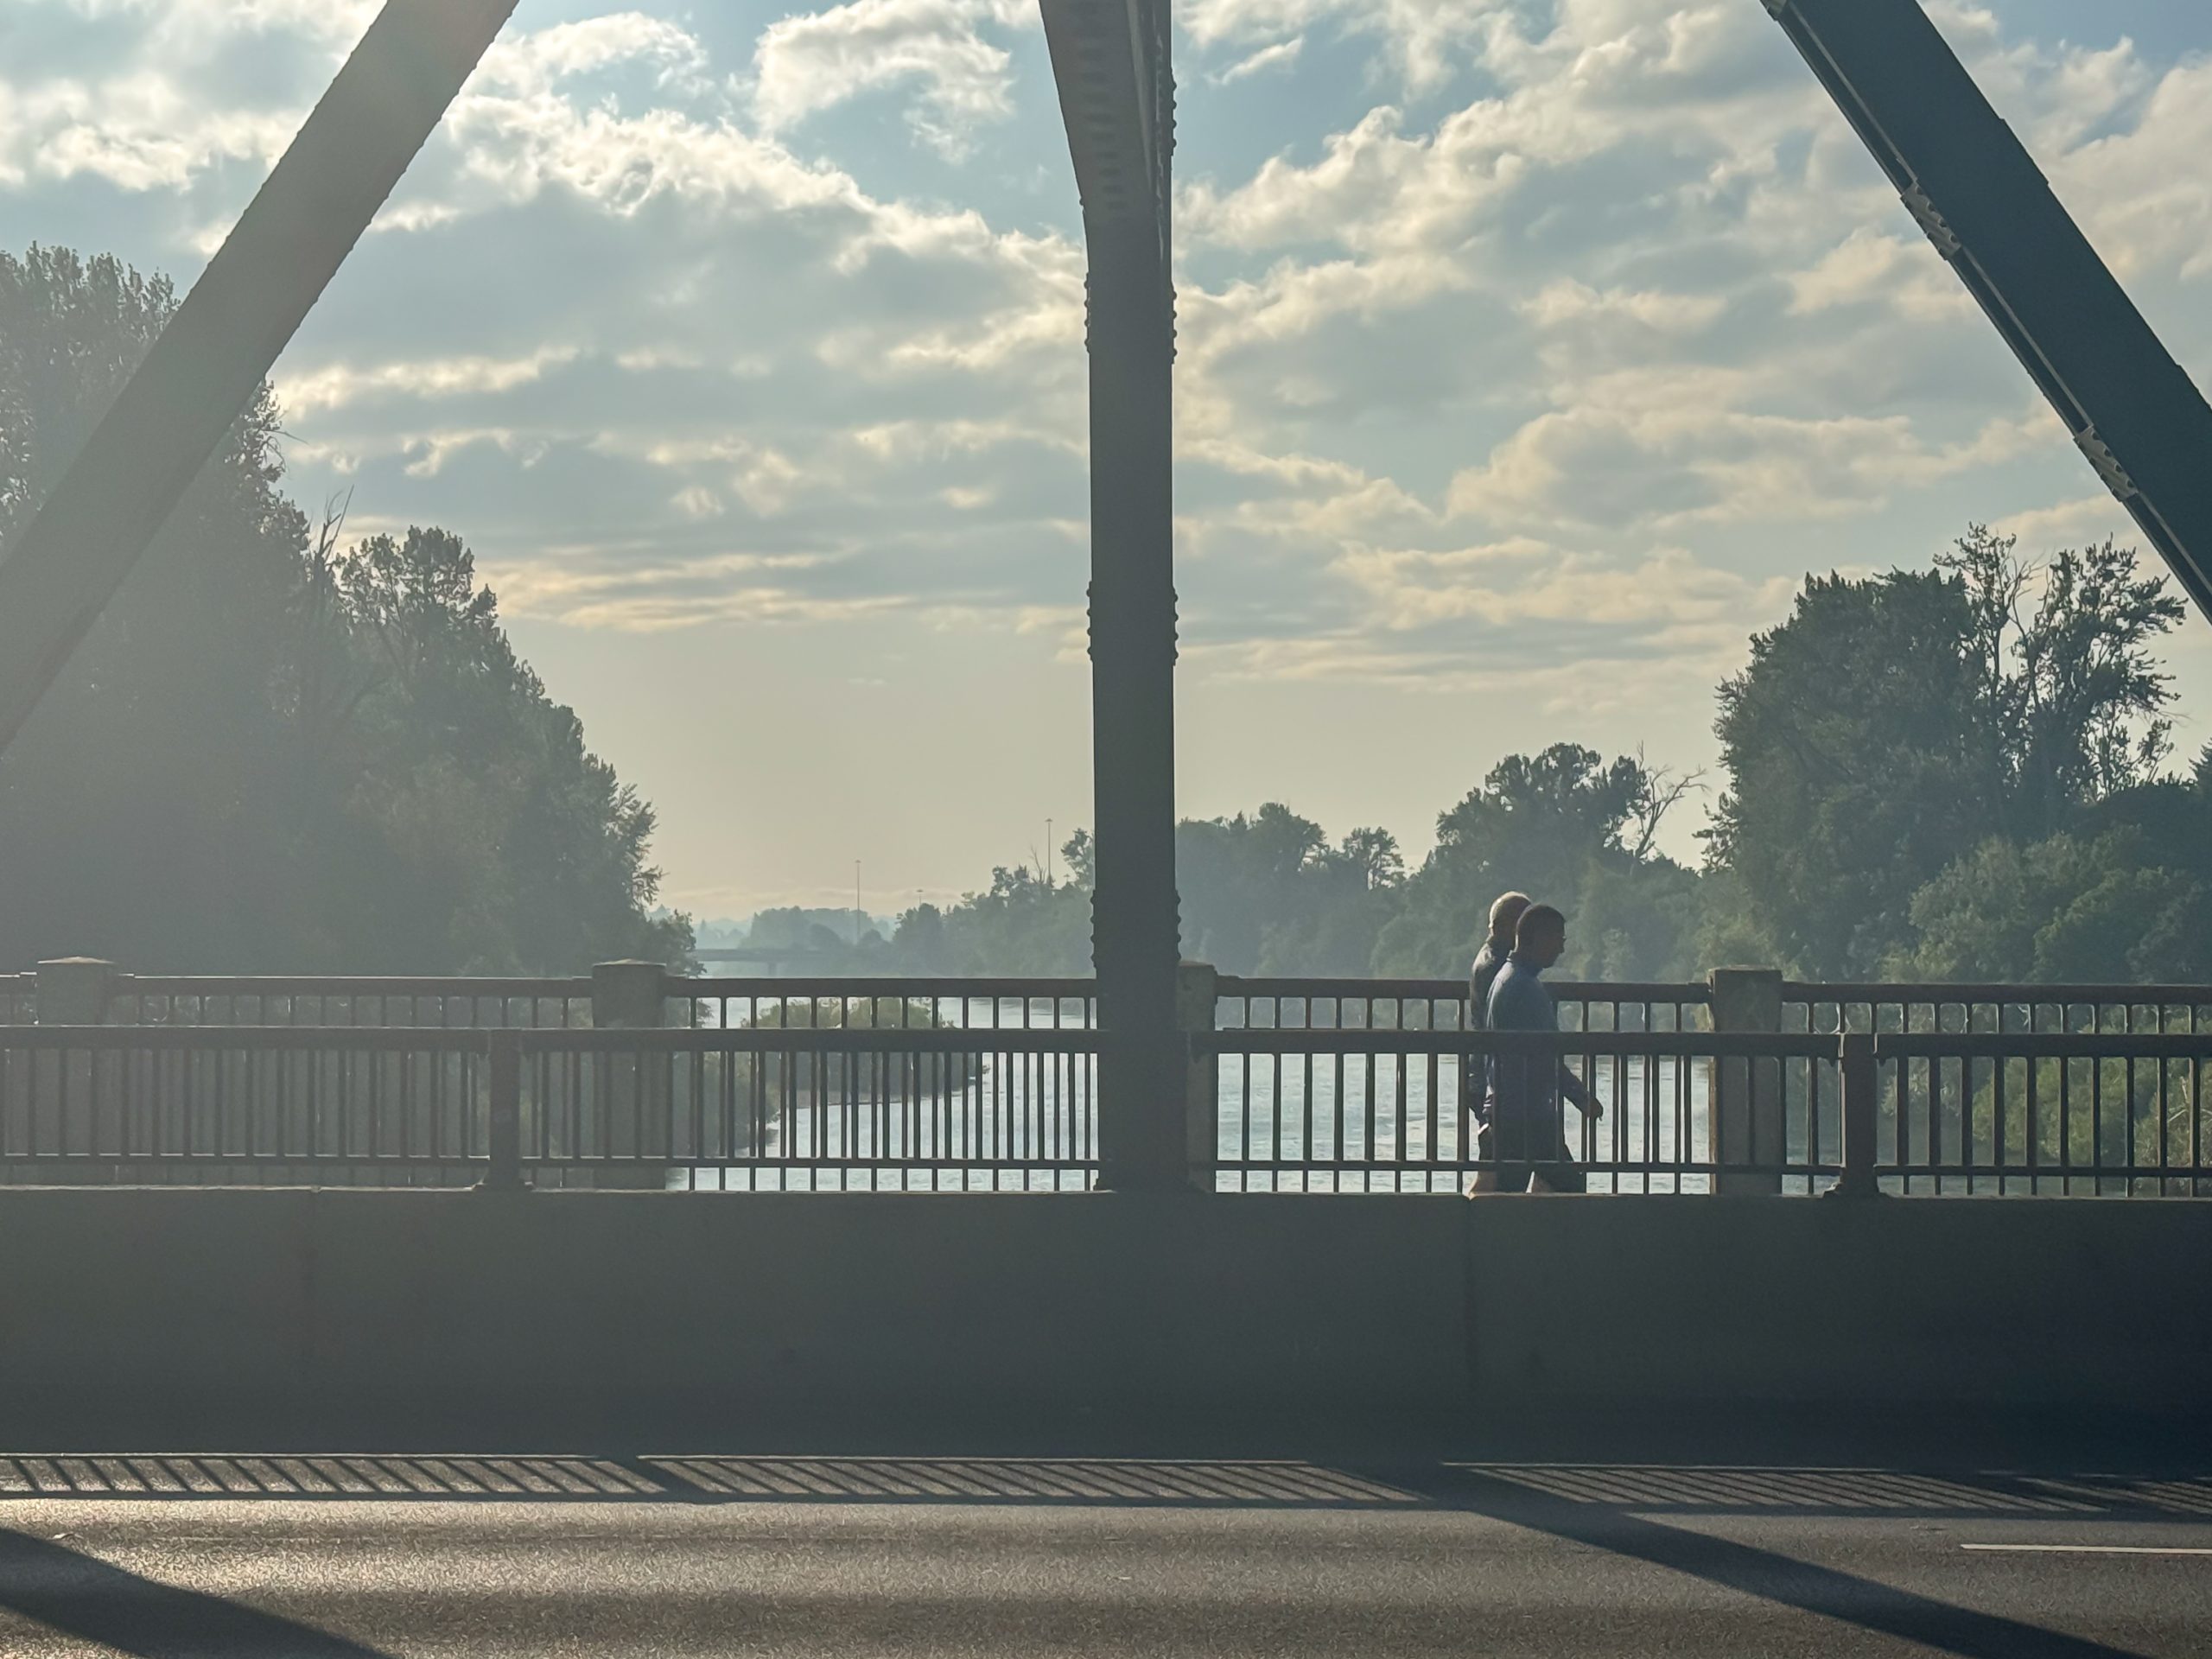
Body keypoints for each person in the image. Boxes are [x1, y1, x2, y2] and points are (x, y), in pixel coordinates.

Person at [1482, 903, 1602, 1194]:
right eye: (1558, 940)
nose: (1561, 950)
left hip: (1510, 1108)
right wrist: (1582, 1098)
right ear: (1539, 938)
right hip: (1527, 1113)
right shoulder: (1525, 988)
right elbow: (1547, 1056)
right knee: (1568, 1185)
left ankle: (1508, 1237)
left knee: (1510, 1190)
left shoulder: (1505, 978)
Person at [1463, 893, 1529, 1195]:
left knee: (1500, 1167)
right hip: (1496, 1082)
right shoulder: (1499, 969)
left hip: (1491, 1079)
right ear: (1502, 926)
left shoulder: (1493, 961)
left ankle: (1478, 1217)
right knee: (1504, 1169)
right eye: (1523, 924)